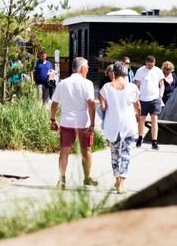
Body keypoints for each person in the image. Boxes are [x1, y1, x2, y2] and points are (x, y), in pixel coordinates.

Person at [50, 57, 98, 188]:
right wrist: (92, 124)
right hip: (83, 123)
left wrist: (53, 119)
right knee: (86, 150)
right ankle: (87, 178)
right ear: (82, 68)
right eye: (87, 67)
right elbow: (91, 104)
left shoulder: (63, 83)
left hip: (67, 122)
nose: (88, 69)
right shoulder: (87, 83)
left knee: (64, 151)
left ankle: (62, 179)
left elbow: (54, 104)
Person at [99, 61, 141, 194]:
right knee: (126, 153)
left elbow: (103, 107)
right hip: (128, 124)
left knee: (114, 154)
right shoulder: (132, 87)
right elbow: (138, 106)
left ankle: (117, 180)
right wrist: (138, 115)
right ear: (126, 72)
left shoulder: (106, 87)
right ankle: (121, 184)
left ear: (114, 72)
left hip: (112, 125)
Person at [134, 55, 165, 150]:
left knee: (154, 119)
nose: (150, 66)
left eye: (152, 65)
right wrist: (136, 97)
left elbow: (162, 84)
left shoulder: (158, 71)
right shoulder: (140, 71)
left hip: (155, 98)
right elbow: (136, 85)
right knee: (141, 119)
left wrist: (160, 95)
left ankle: (154, 141)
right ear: (145, 63)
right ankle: (140, 137)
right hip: (143, 98)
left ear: (154, 63)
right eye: (148, 65)